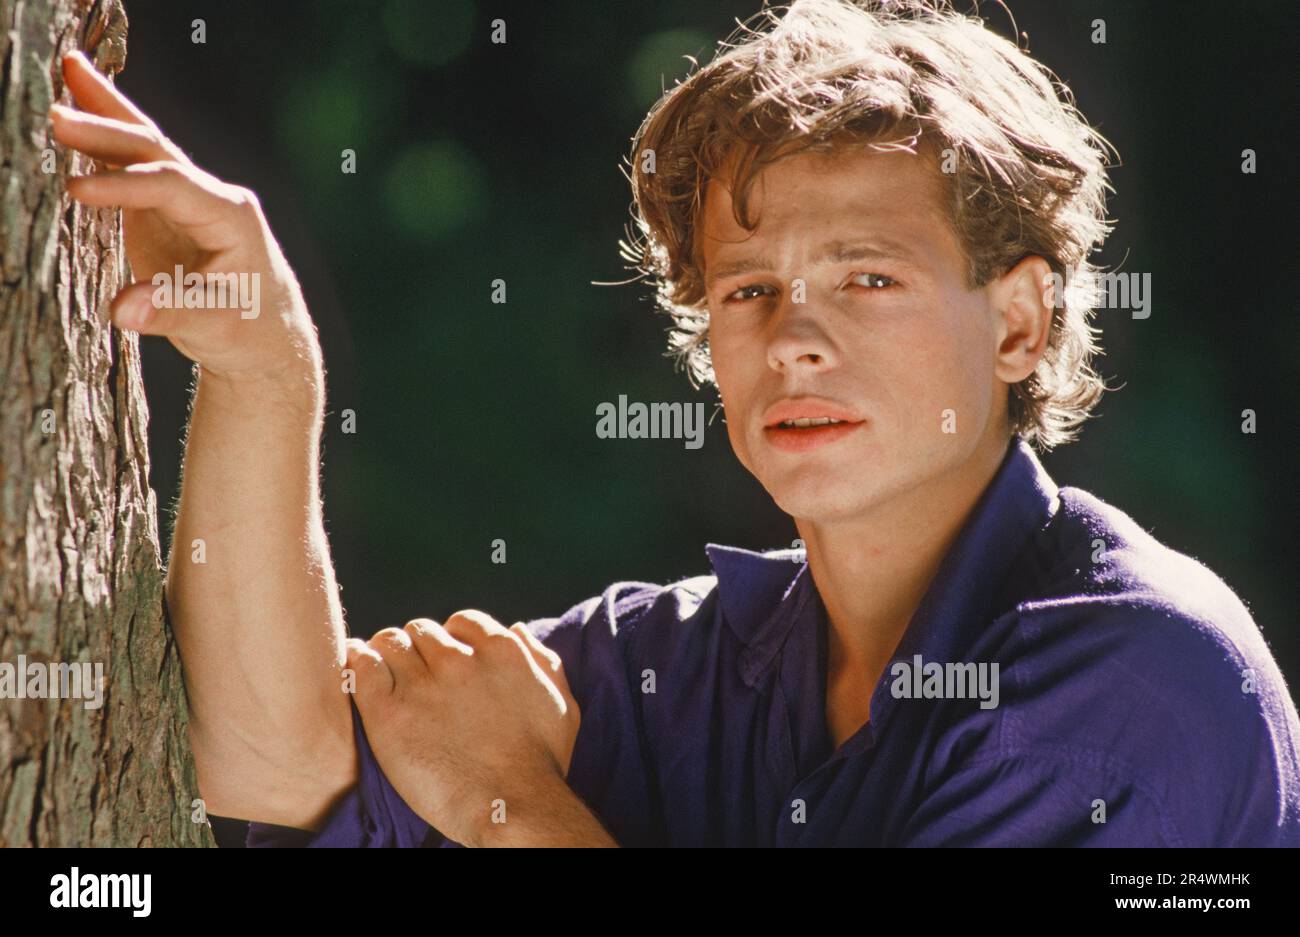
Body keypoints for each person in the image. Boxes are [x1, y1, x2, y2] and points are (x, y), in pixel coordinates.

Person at [51, 0, 1300, 847]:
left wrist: (502, 797)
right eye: (748, 290)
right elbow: (270, 758)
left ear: (1020, 325)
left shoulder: (1136, 673)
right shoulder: (691, 662)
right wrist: (267, 364)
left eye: (868, 277)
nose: (795, 337)